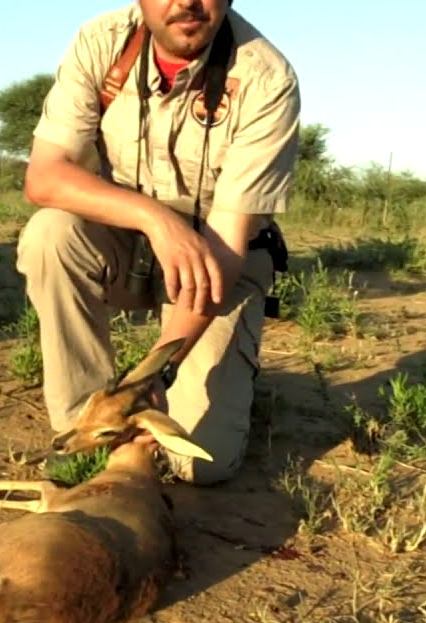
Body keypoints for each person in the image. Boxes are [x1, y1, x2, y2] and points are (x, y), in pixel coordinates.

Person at [16, 0, 300, 486]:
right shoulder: (102, 41)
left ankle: (166, 388)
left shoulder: (266, 76)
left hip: (216, 263)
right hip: (126, 242)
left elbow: (227, 246)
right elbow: (44, 178)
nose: (186, 2)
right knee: (50, 233)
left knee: (202, 464)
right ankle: (83, 425)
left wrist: (151, 379)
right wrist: (156, 220)